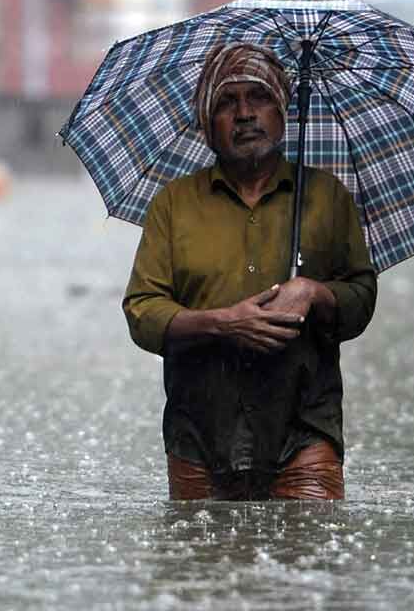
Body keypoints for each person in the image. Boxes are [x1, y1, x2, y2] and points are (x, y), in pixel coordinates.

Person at [123, 42, 377, 501]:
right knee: (199, 565)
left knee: (310, 561)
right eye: (226, 102)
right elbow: (142, 312)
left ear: (282, 112)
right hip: (199, 434)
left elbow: (361, 299)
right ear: (207, 125)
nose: (244, 114)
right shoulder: (174, 205)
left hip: (303, 431)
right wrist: (223, 323)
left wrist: (314, 292)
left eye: (258, 98)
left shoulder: (326, 198)